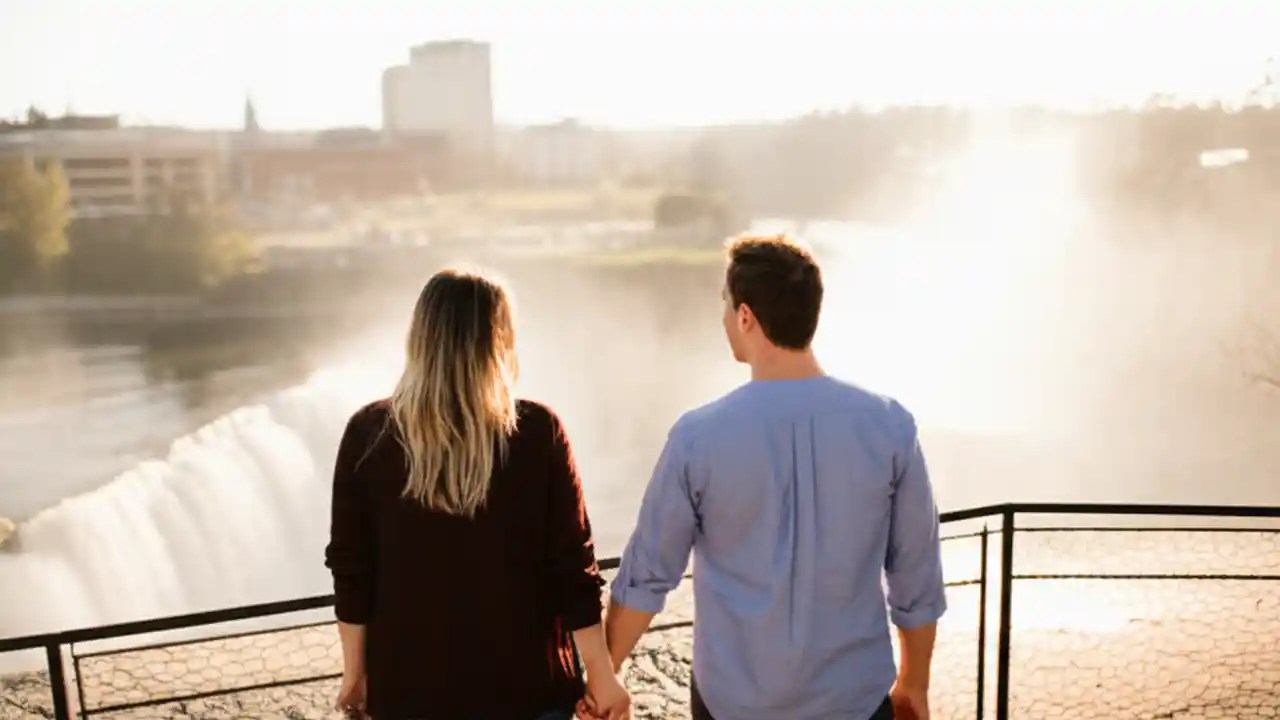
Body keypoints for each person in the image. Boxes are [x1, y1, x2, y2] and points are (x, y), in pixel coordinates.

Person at [602, 236, 946, 720]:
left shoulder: (698, 436)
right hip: (854, 701)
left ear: (746, 317)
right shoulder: (889, 426)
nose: (723, 319)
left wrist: (605, 673)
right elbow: (917, 576)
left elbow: (648, 575)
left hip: (733, 704)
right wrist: (914, 682)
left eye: (725, 305)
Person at [325, 269, 630, 720]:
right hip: (528, 691)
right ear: (500, 340)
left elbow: (353, 570)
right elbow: (572, 568)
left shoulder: (369, 433)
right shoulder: (536, 433)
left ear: (420, 338)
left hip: (408, 692)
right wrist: (601, 676)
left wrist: (356, 672)